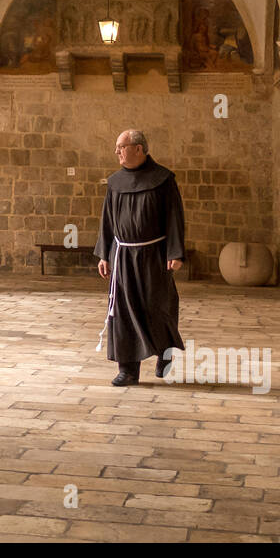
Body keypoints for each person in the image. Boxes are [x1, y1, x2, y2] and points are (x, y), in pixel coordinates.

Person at [94, 130, 187, 386]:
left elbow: (174, 217)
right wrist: (104, 255)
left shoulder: (163, 179)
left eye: (121, 147)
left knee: (157, 307)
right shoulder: (114, 183)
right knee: (122, 312)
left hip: (154, 255)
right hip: (123, 255)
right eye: (116, 148)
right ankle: (128, 370)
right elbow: (107, 222)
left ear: (138, 148)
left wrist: (175, 253)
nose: (117, 152)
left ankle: (165, 352)